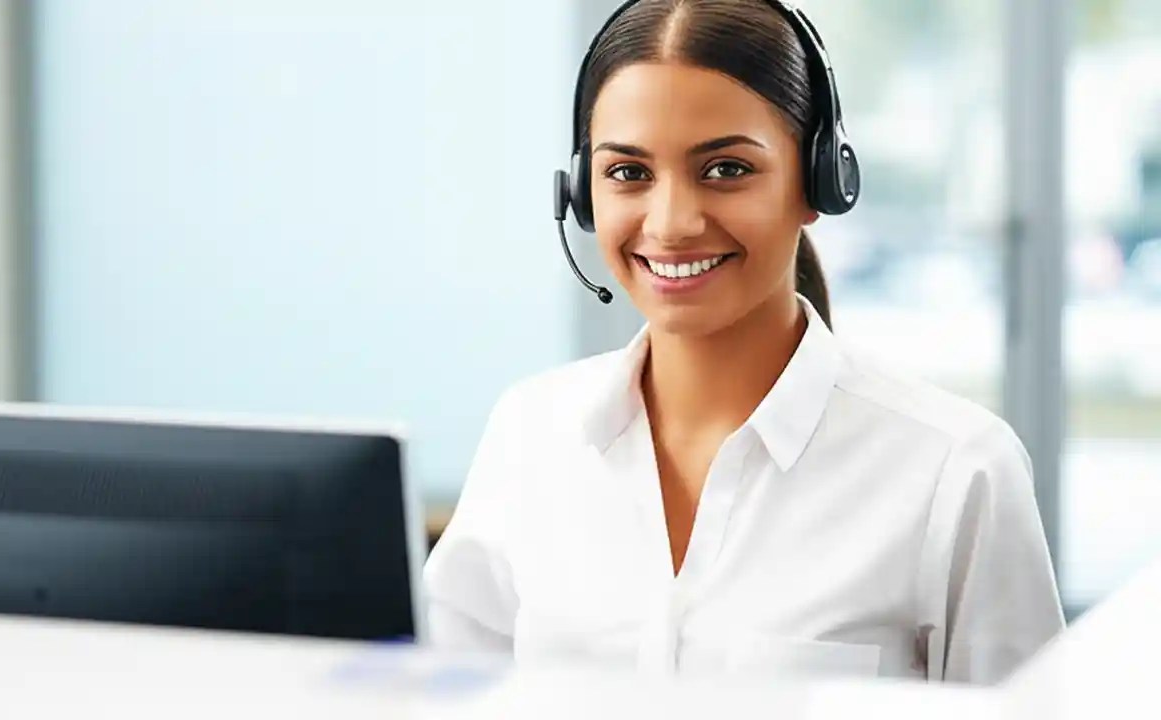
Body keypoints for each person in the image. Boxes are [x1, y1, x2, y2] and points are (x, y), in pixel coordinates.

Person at [423, 0, 1064, 685]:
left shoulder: (955, 470)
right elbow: (433, 692)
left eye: (725, 169)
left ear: (820, 180)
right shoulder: (531, 434)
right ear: (583, 194)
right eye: (628, 173)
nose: (670, 224)